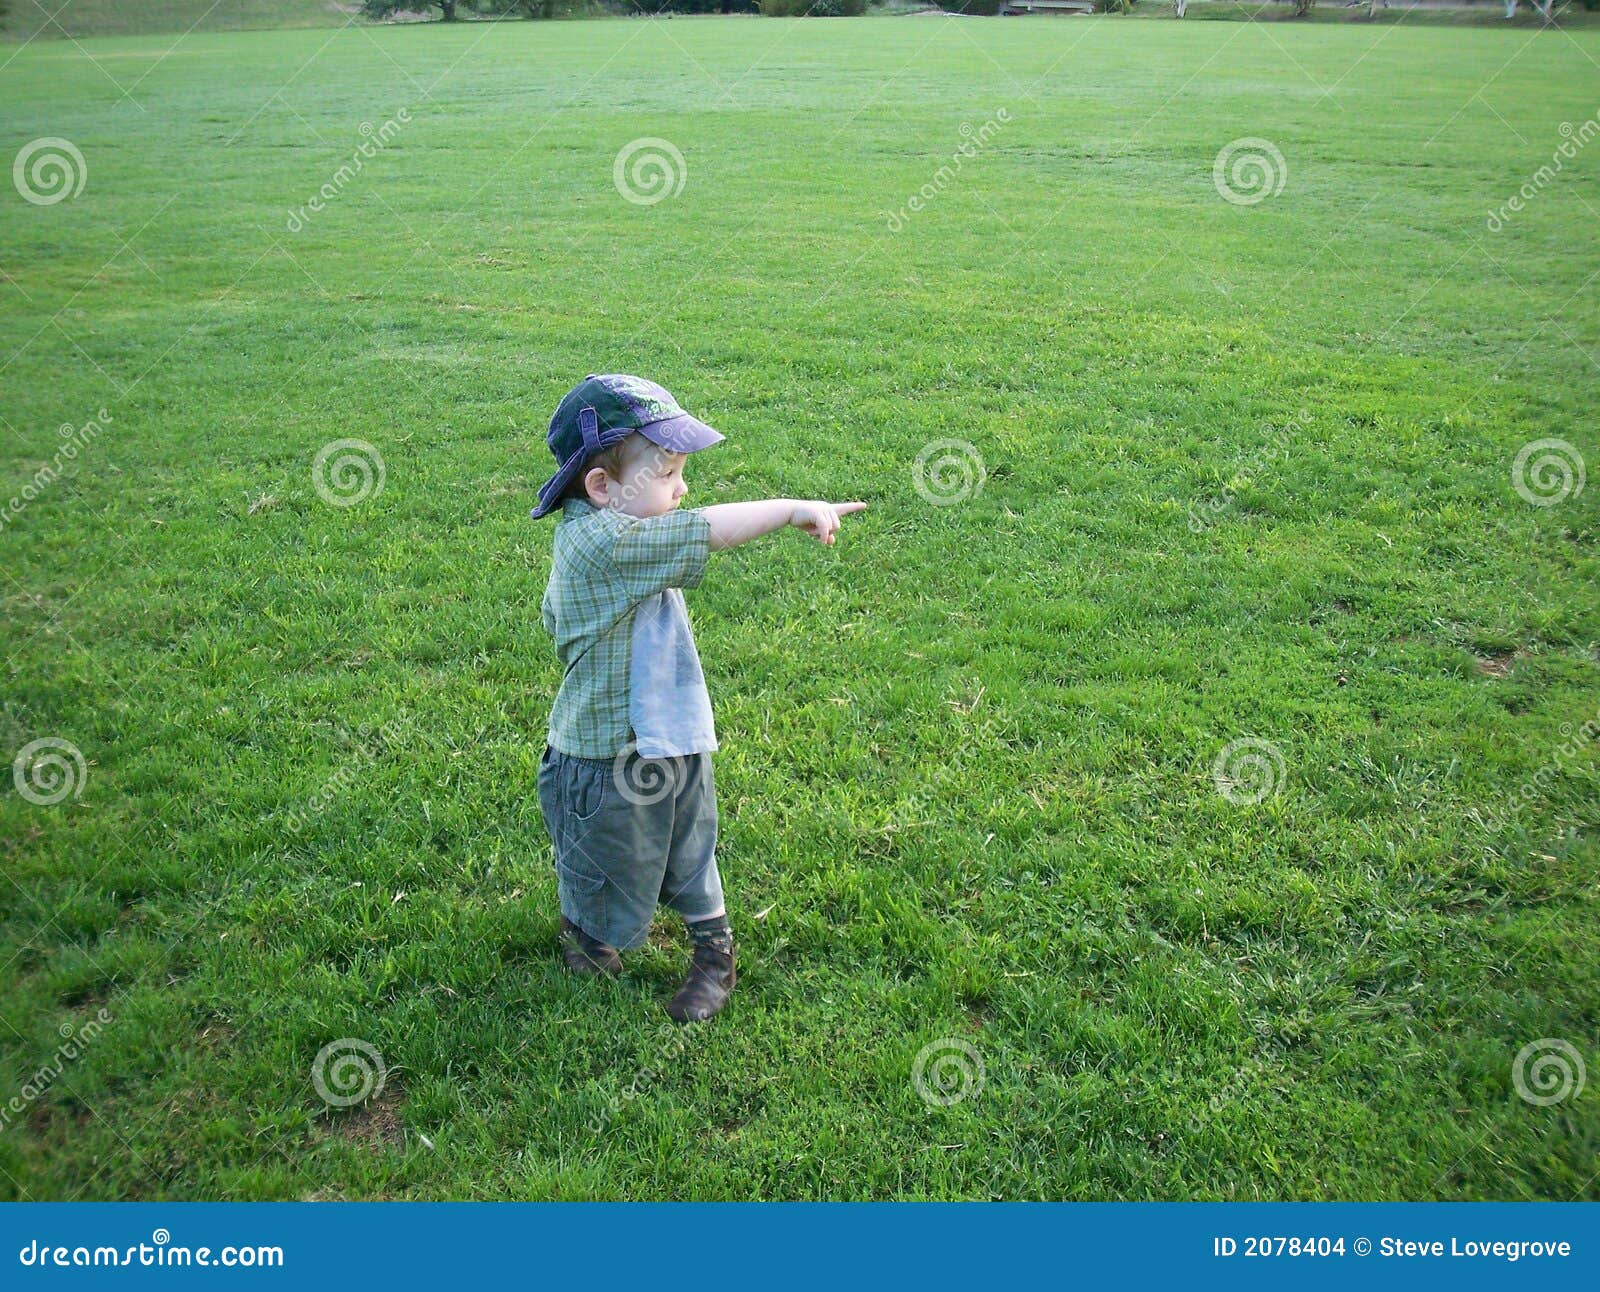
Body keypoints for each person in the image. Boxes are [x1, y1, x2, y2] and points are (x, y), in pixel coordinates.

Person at [530, 374, 868, 1021]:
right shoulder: (603, 543)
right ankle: (591, 936)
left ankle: (715, 955)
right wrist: (793, 508)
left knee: (690, 843)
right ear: (602, 488)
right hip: (603, 753)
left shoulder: (616, 526)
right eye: (669, 472)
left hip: (670, 733)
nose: (683, 487)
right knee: (600, 854)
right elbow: (710, 530)